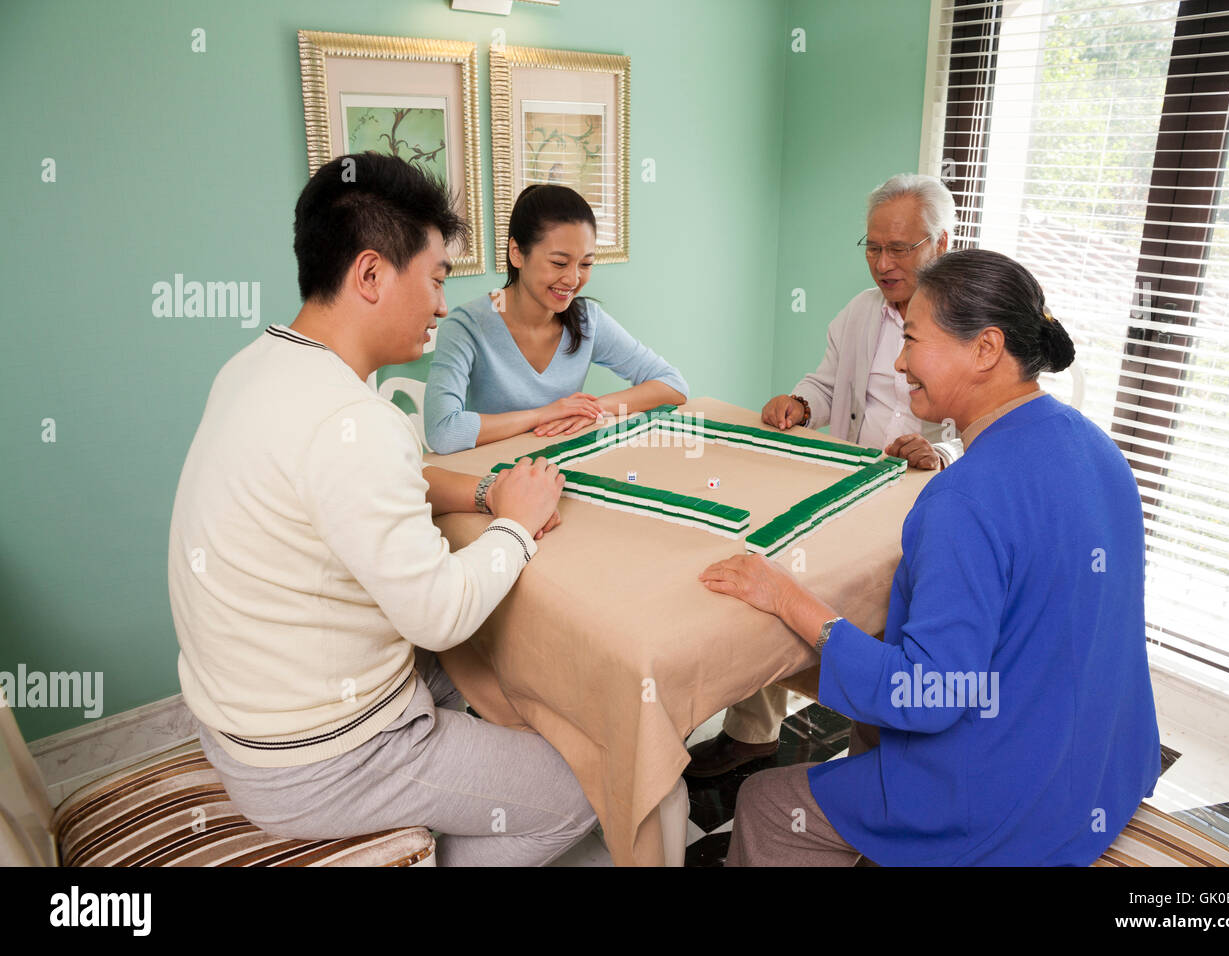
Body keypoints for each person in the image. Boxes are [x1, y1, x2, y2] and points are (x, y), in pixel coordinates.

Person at [167, 152, 599, 866]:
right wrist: (517, 526)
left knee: (489, 668)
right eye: (434, 279)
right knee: (579, 790)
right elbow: (437, 612)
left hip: (246, 720)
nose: (439, 305)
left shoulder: (260, 367)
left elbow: (368, 482)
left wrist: (487, 492)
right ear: (370, 274)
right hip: (318, 762)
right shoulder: (350, 420)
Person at [701, 249, 1162, 866]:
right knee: (871, 728)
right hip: (1109, 760)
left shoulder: (963, 500)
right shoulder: (1096, 446)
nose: (899, 361)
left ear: (985, 348)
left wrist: (788, 596)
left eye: (913, 340)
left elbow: (928, 696)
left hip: (1012, 808)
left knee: (764, 800)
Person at [687, 173, 965, 777]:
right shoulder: (860, 313)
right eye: (872, 247)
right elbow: (825, 379)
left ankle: (875, 762)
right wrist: (802, 403)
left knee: (881, 613)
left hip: (920, 497)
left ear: (940, 244)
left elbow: (991, 431)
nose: (882, 263)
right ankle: (754, 731)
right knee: (772, 569)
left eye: (898, 248)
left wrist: (940, 455)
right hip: (846, 482)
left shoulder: (969, 323)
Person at [423, 185, 689, 455]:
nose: (573, 280)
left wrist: (594, 409)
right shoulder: (467, 326)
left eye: (585, 264)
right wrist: (544, 415)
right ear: (517, 253)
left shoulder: (587, 320)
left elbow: (673, 385)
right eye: (560, 263)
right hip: (494, 478)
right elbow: (443, 431)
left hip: (565, 468)